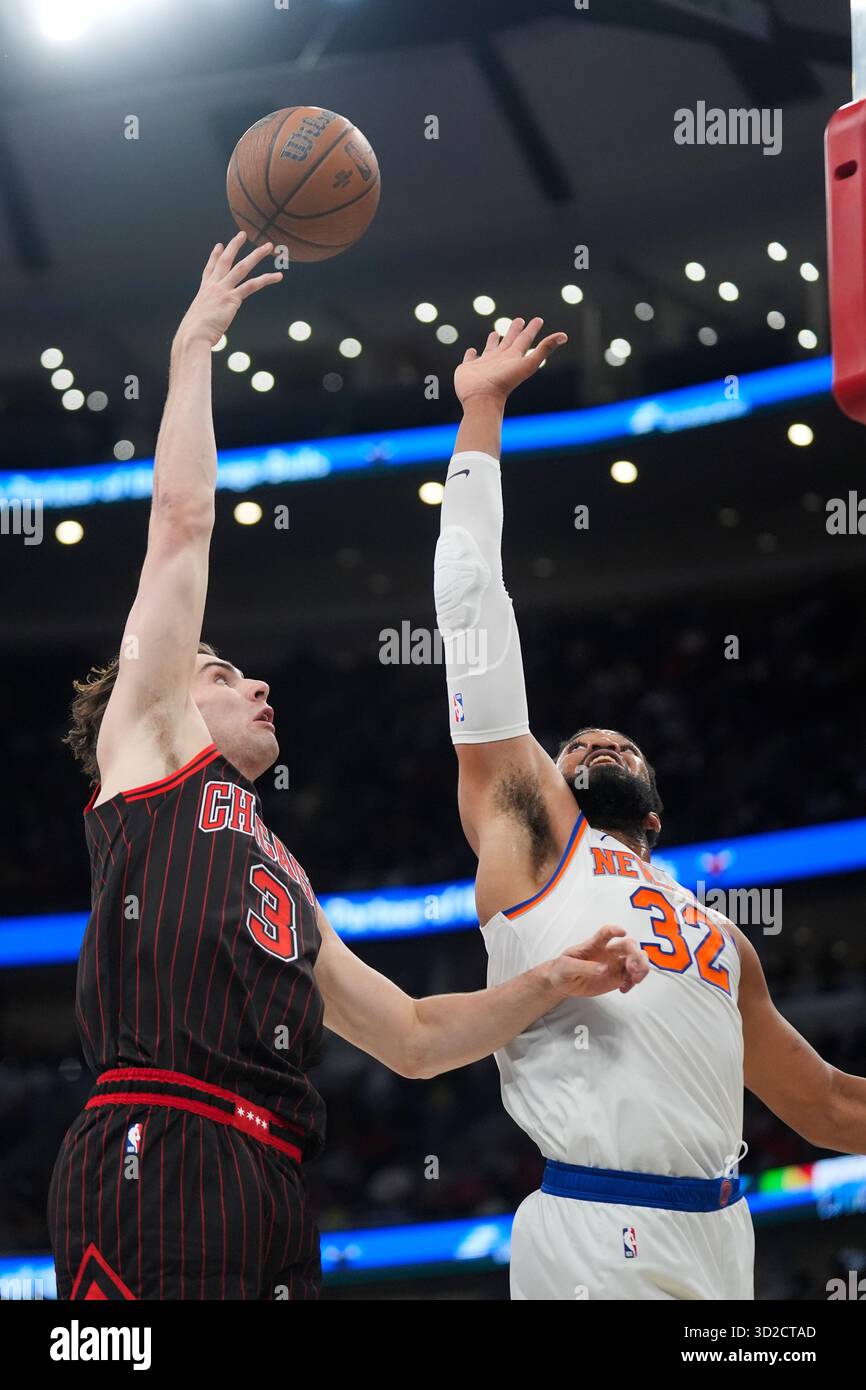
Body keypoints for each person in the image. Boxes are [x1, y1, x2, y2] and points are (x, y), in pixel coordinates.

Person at [48, 240, 649, 1302]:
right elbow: (182, 524)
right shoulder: (143, 749)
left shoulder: (276, 869)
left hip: (274, 1170)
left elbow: (413, 1040)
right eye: (226, 671)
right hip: (156, 1144)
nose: (258, 685)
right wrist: (194, 347)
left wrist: (549, 980)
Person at [432, 314, 866, 1300]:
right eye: (575, 743)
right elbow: (466, 601)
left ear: (656, 808)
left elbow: (831, 1106)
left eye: (618, 744)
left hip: (724, 1232)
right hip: (596, 1223)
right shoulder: (533, 831)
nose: (595, 744)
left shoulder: (719, 936)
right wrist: (481, 415)